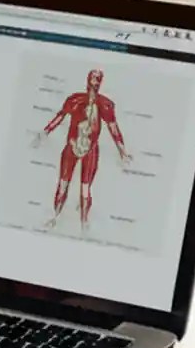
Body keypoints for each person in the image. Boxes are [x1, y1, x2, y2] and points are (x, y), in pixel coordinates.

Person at [32, 68, 133, 233]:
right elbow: (60, 116)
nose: (94, 82)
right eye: (92, 78)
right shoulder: (75, 100)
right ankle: (56, 216)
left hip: (90, 150)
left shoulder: (104, 105)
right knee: (63, 184)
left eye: (97, 79)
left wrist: (122, 150)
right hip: (72, 146)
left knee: (85, 188)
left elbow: (113, 128)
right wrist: (45, 132)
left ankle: (84, 221)